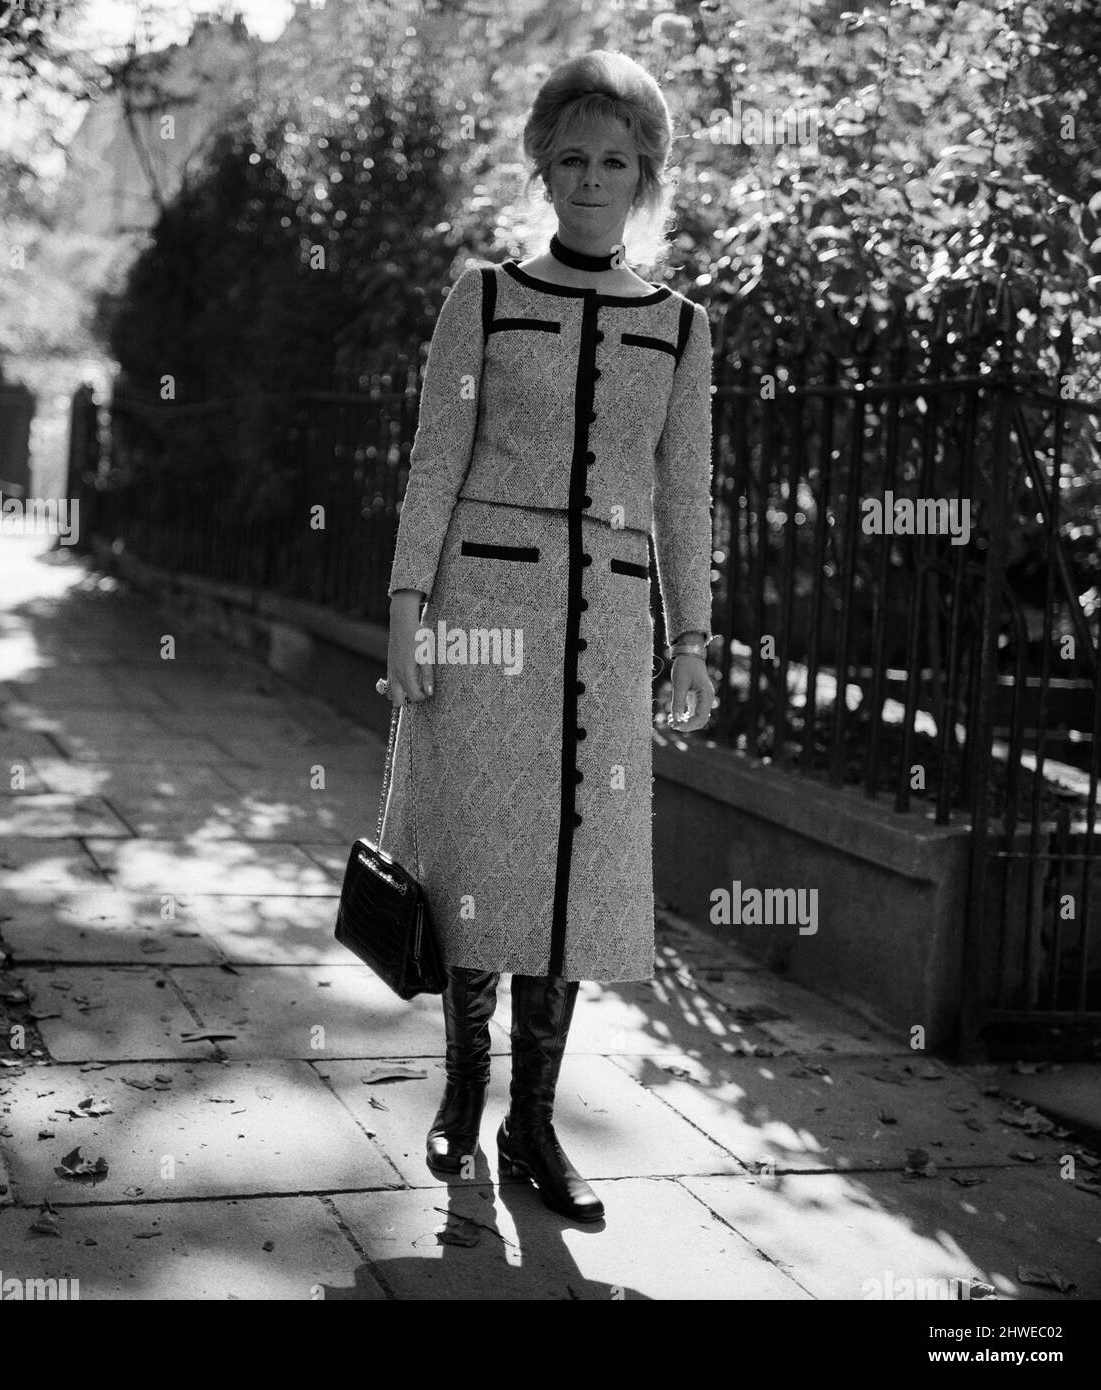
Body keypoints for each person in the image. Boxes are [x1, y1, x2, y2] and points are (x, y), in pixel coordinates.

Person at [376, 50, 715, 1224]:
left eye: (615, 160)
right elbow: (435, 461)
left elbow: (684, 495)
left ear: (646, 177)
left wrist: (696, 639)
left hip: (610, 627)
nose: (590, 177)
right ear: (541, 167)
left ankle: (534, 1125)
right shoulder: (483, 296)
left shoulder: (681, 329)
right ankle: (465, 1097)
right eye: (570, 156)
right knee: (480, 850)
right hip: (482, 617)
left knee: (574, 870)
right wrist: (407, 612)